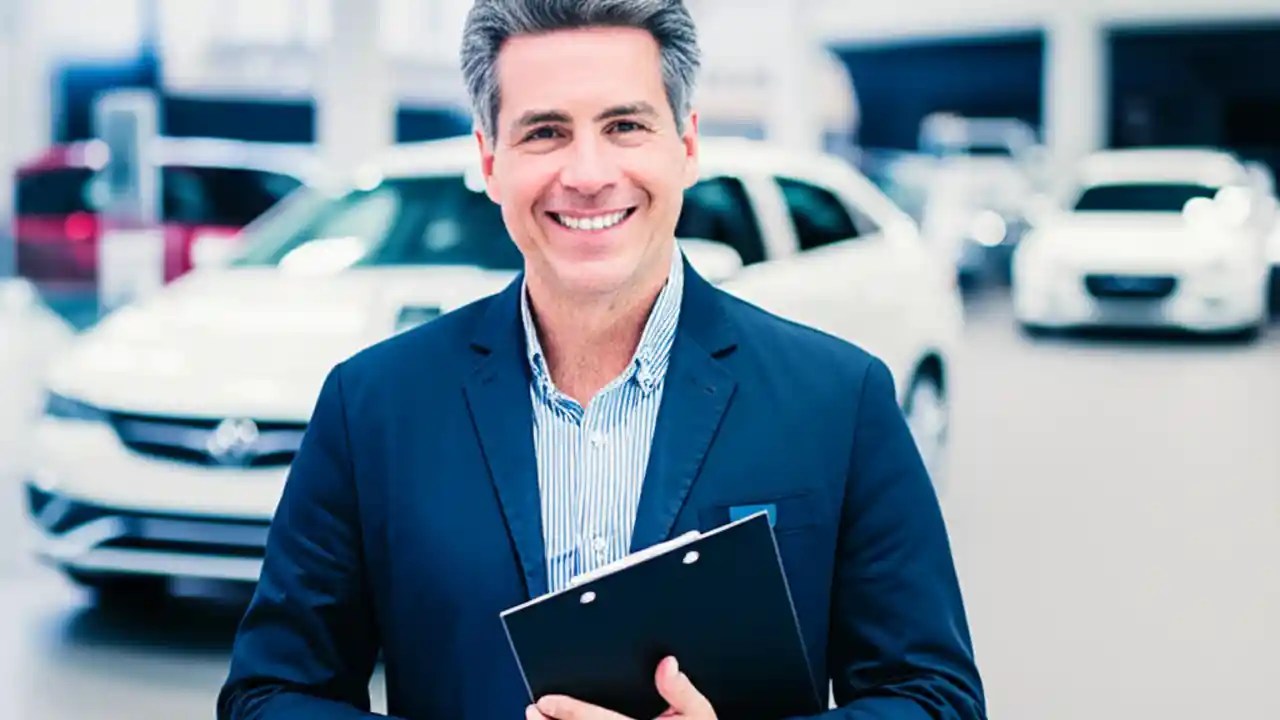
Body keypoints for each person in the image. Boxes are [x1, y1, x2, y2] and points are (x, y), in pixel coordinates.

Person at [217, 1, 986, 718]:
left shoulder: (839, 401)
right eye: (545, 132)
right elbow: (271, 692)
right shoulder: (374, 407)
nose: (587, 174)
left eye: (624, 126)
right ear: (490, 160)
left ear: (686, 146)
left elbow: (934, 697)